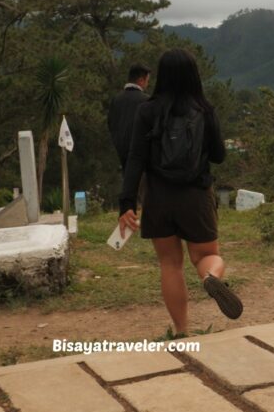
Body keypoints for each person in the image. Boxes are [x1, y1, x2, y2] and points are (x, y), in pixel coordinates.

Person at [118, 49, 242, 335]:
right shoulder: (204, 110)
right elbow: (220, 156)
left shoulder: (147, 110)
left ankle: (182, 331)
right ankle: (211, 277)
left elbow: (135, 158)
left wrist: (126, 202)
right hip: (195, 195)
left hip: (158, 197)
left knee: (170, 264)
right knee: (206, 255)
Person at [108, 64, 151, 171]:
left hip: (121, 153)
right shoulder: (146, 101)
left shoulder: (116, 99)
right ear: (141, 80)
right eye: (147, 81)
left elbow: (110, 124)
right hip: (141, 157)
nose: (147, 84)